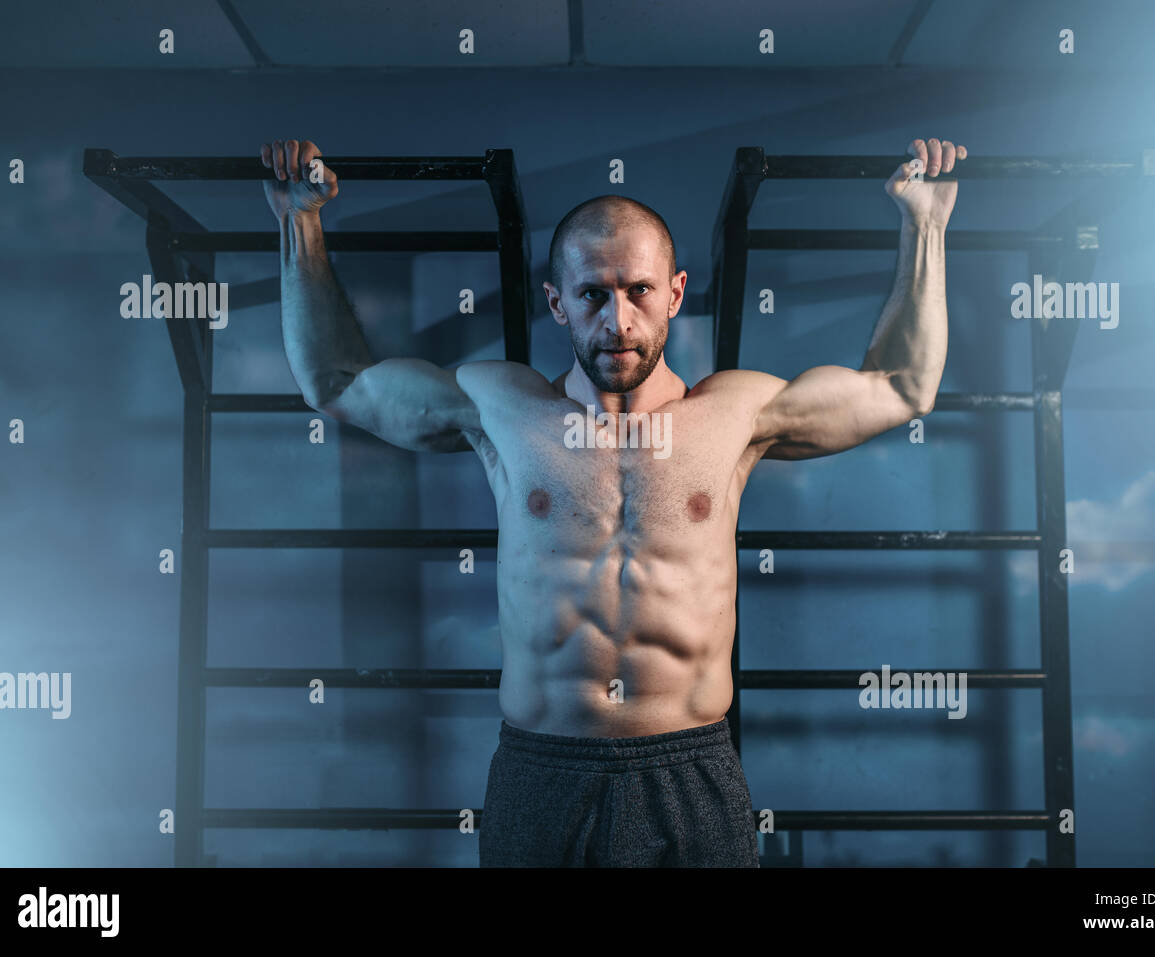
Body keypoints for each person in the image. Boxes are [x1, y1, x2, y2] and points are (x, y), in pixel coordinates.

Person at [260, 135, 965, 866]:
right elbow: (336, 381)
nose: (618, 320)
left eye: (639, 291)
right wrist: (298, 222)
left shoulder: (736, 413)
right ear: (557, 303)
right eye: (594, 293)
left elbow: (902, 387)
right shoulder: (503, 406)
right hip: (544, 770)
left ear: (676, 294)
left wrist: (927, 224)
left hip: (689, 766)